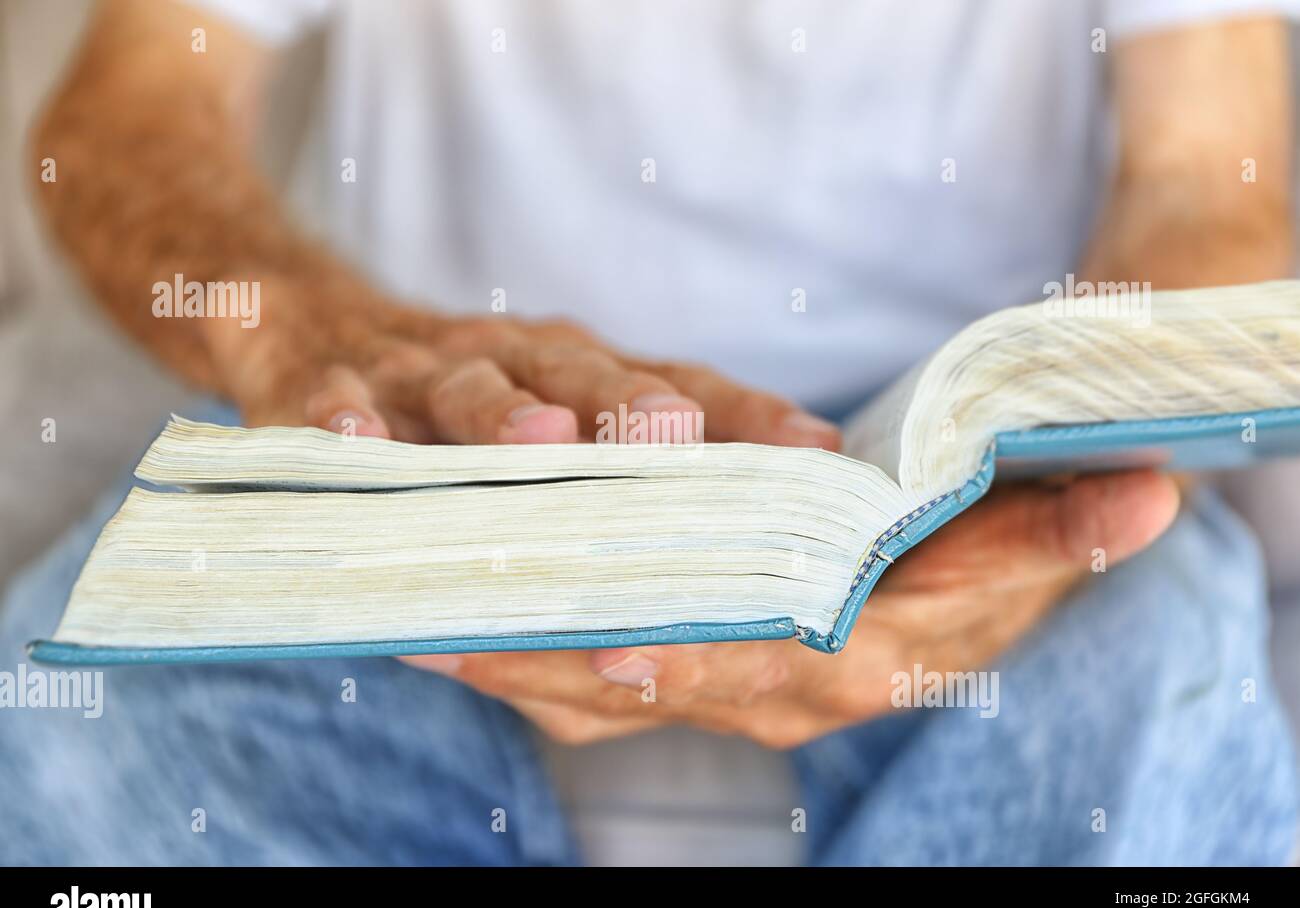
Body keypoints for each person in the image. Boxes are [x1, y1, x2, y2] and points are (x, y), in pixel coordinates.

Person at [2, 0, 1296, 864]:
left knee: (1160, 675)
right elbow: (124, 114)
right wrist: (303, 332)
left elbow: (1209, 175)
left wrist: (1050, 428)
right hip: (435, 422)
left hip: (945, 459)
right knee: (92, 710)